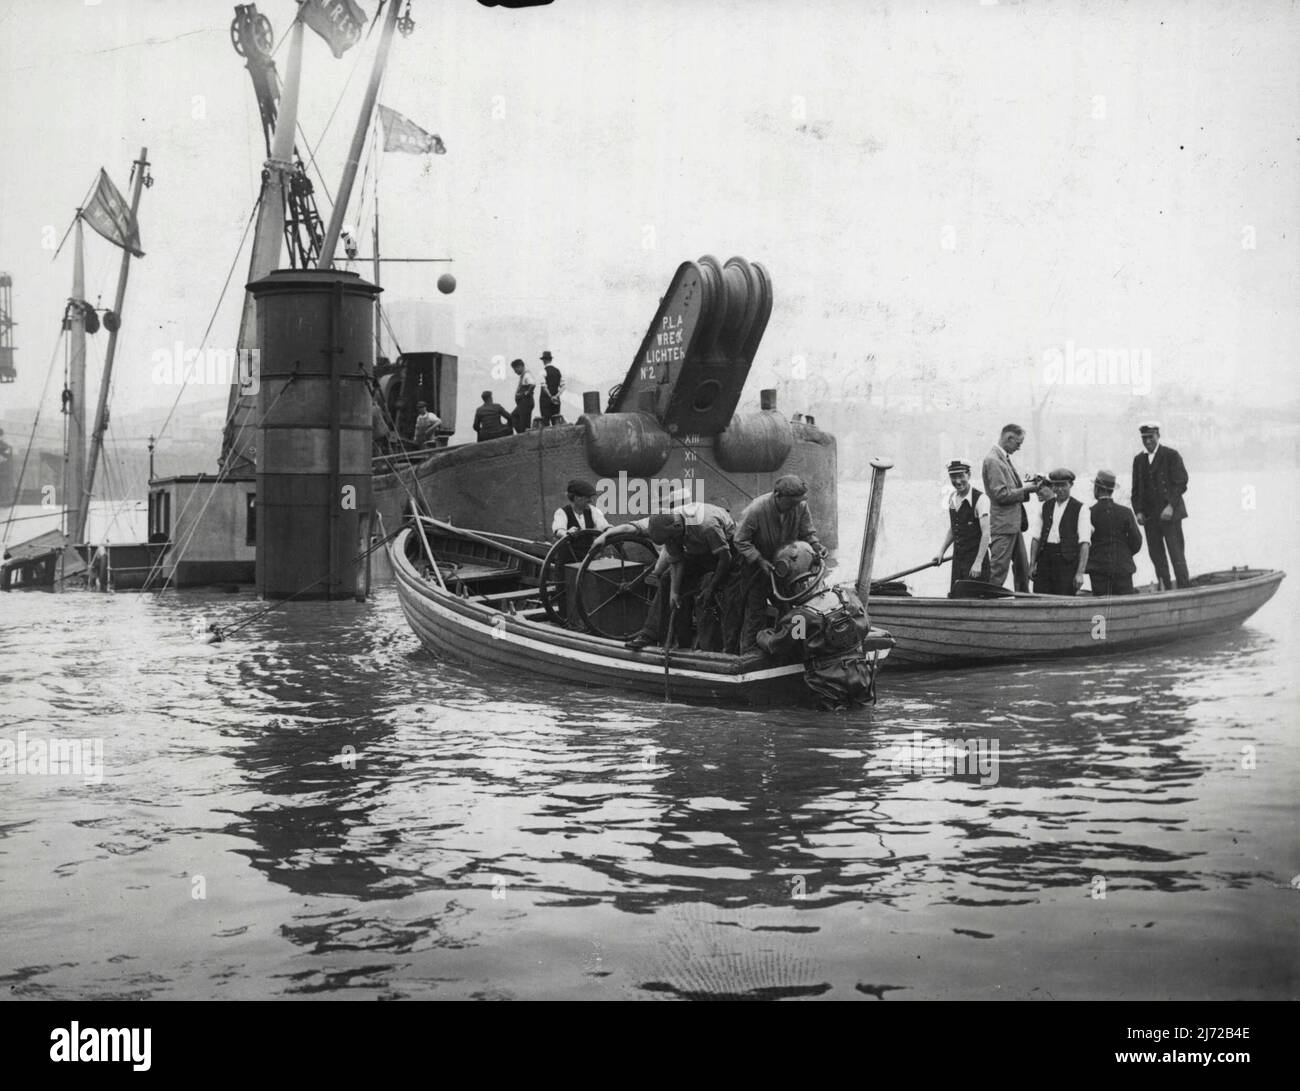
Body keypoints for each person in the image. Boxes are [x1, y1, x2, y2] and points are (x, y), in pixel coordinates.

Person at [592, 503, 740, 653]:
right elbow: (632, 529)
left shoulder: (707, 525)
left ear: (677, 527)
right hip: (698, 552)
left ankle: (716, 648)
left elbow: (725, 559)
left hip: (728, 554)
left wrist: (711, 587)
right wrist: (604, 536)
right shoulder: (663, 520)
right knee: (667, 579)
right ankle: (656, 635)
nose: (670, 543)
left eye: (671, 539)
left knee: (708, 593)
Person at [755, 541, 877, 711]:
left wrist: (762, 634)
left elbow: (779, 645)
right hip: (861, 674)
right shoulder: (847, 597)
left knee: (829, 727)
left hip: (827, 682)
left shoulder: (800, 618)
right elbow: (865, 627)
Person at [735, 475, 824, 652]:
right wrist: (759, 560)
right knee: (756, 611)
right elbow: (740, 540)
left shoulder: (801, 506)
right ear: (777, 495)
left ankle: (793, 645)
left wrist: (817, 546)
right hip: (757, 567)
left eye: (797, 503)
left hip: (786, 567)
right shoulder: (756, 509)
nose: (794, 507)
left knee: (792, 608)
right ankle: (750, 651)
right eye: (790, 503)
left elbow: (807, 533)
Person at [981, 424, 1044, 590]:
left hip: (1013, 525)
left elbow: (1008, 489)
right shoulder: (993, 460)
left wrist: (1026, 487)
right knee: (998, 571)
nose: (1019, 447)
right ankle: (988, 606)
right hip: (1003, 526)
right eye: (1018, 443)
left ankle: (1024, 607)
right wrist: (1027, 490)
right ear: (1009, 438)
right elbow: (1000, 495)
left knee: (1022, 569)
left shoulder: (1002, 458)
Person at [1131, 421, 1190, 590]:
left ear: (1158, 435)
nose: (1147, 441)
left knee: (1176, 554)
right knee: (1157, 556)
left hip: (1170, 515)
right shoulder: (1139, 460)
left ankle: (1184, 588)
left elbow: (1181, 483)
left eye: (1150, 437)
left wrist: (1171, 506)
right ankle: (1166, 590)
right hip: (1150, 517)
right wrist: (1138, 512)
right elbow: (1136, 490)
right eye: (1144, 438)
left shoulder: (1171, 455)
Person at [932, 458, 991, 595]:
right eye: (953, 476)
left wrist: (978, 563)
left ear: (969, 475)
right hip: (958, 561)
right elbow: (954, 528)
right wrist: (941, 552)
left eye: (961, 476)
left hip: (976, 563)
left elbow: (986, 534)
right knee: (957, 598)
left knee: (976, 601)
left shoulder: (981, 499)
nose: (957, 481)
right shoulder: (952, 498)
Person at [1028, 468, 1091, 595]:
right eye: (1056, 485)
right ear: (1052, 486)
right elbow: (1036, 538)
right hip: (1045, 561)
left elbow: (1085, 543)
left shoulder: (1081, 508)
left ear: (1071, 485)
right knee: (1041, 596)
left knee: (1065, 598)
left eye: (1063, 485)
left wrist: (1080, 573)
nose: (1060, 489)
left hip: (1067, 563)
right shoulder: (1045, 507)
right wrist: (1032, 565)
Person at [1086, 469, 1143, 596]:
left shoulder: (1088, 513)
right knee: (1126, 605)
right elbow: (1137, 542)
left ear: (1096, 488)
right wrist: (1124, 553)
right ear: (1112, 490)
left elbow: (1084, 542)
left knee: (1101, 608)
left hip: (1098, 569)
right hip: (1123, 567)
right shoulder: (1126, 512)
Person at [510, 358, 536, 434]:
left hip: (525, 403)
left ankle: (524, 435)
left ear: (520, 366)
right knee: (514, 417)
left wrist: (525, 393)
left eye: (515, 369)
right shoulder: (523, 375)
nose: (515, 372)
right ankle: (522, 433)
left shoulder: (526, 375)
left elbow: (533, 384)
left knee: (524, 423)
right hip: (523, 404)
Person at [539, 351, 564, 426]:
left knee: (546, 421)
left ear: (544, 360)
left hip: (545, 400)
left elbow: (544, 387)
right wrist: (556, 396)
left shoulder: (543, 371)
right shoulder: (557, 371)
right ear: (550, 360)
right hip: (556, 400)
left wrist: (550, 396)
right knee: (556, 421)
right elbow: (563, 386)